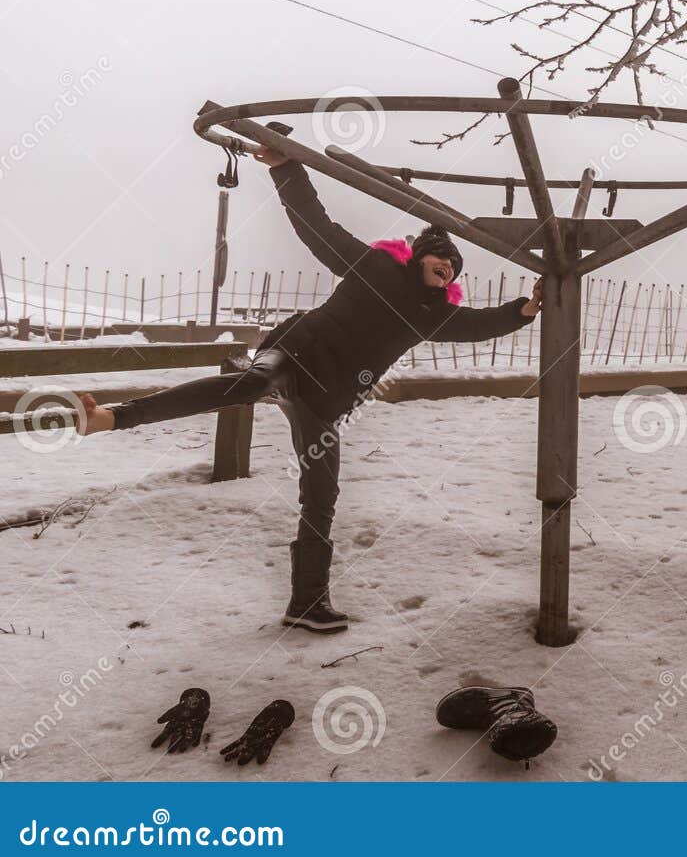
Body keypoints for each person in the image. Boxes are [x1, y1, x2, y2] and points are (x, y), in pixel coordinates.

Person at [77, 145, 542, 633]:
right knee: (251, 383)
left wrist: (524, 310)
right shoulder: (374, 266)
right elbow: (319, 228)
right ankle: (113, 417)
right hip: (294, 356)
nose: (448, 267)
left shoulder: (434, 315)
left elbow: (480, 324)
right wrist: (286, 169)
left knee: (322, 491)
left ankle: (307, 602)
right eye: (442, 257)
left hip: (327, 397)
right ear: (419, 256)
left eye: (455, 268)